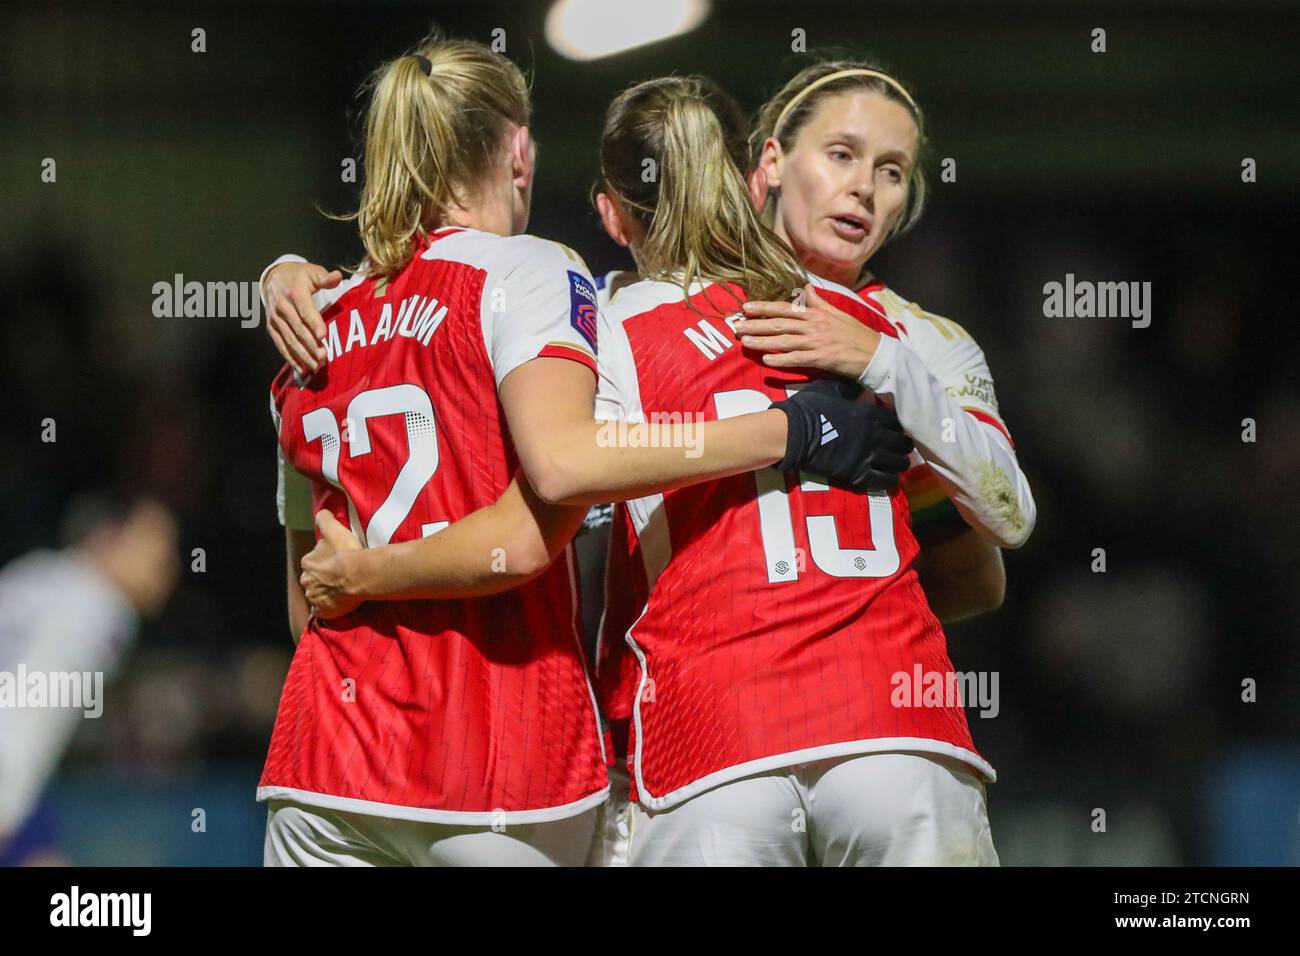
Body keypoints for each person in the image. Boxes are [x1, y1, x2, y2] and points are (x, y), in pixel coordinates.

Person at [258, 36, 909, 867]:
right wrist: (794, 430)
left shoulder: (308, 327)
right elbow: (547, 498)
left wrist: (281, 269)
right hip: (491, 764)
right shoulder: (531, 272)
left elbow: (302, 603)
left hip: (319, 769)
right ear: (519, 151)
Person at [0, 494, 178, 865]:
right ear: (107, 540)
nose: (168, 563)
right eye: (155, 543)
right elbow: (29, 708)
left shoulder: (52, 580)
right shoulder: (92, 606)